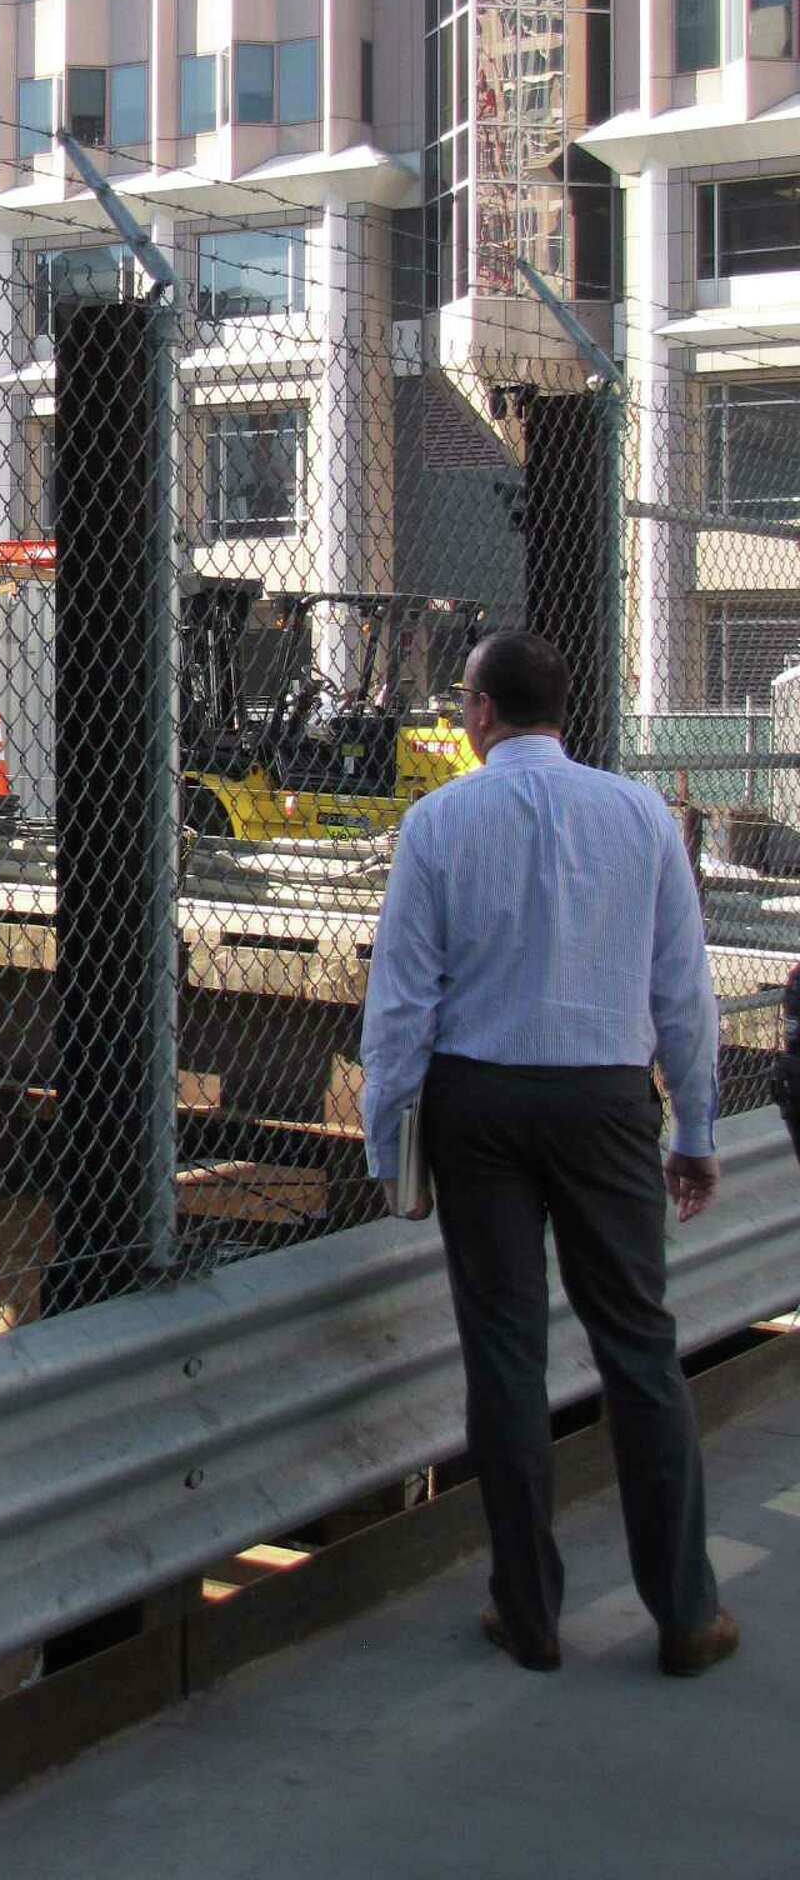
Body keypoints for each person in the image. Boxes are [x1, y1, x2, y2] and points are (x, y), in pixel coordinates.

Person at [359, 628, 736, 1678]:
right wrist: (695, 1129)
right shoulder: (641, 818)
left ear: (480, 711)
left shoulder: (438, 824)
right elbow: (683, 993)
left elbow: (402, 1004)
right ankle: (687, 1610)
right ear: (563, 711)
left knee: (506, 1352)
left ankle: (527, 1613)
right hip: (608, 1103)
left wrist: (390, 1142)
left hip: (479, 1103)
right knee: (639, 1348)